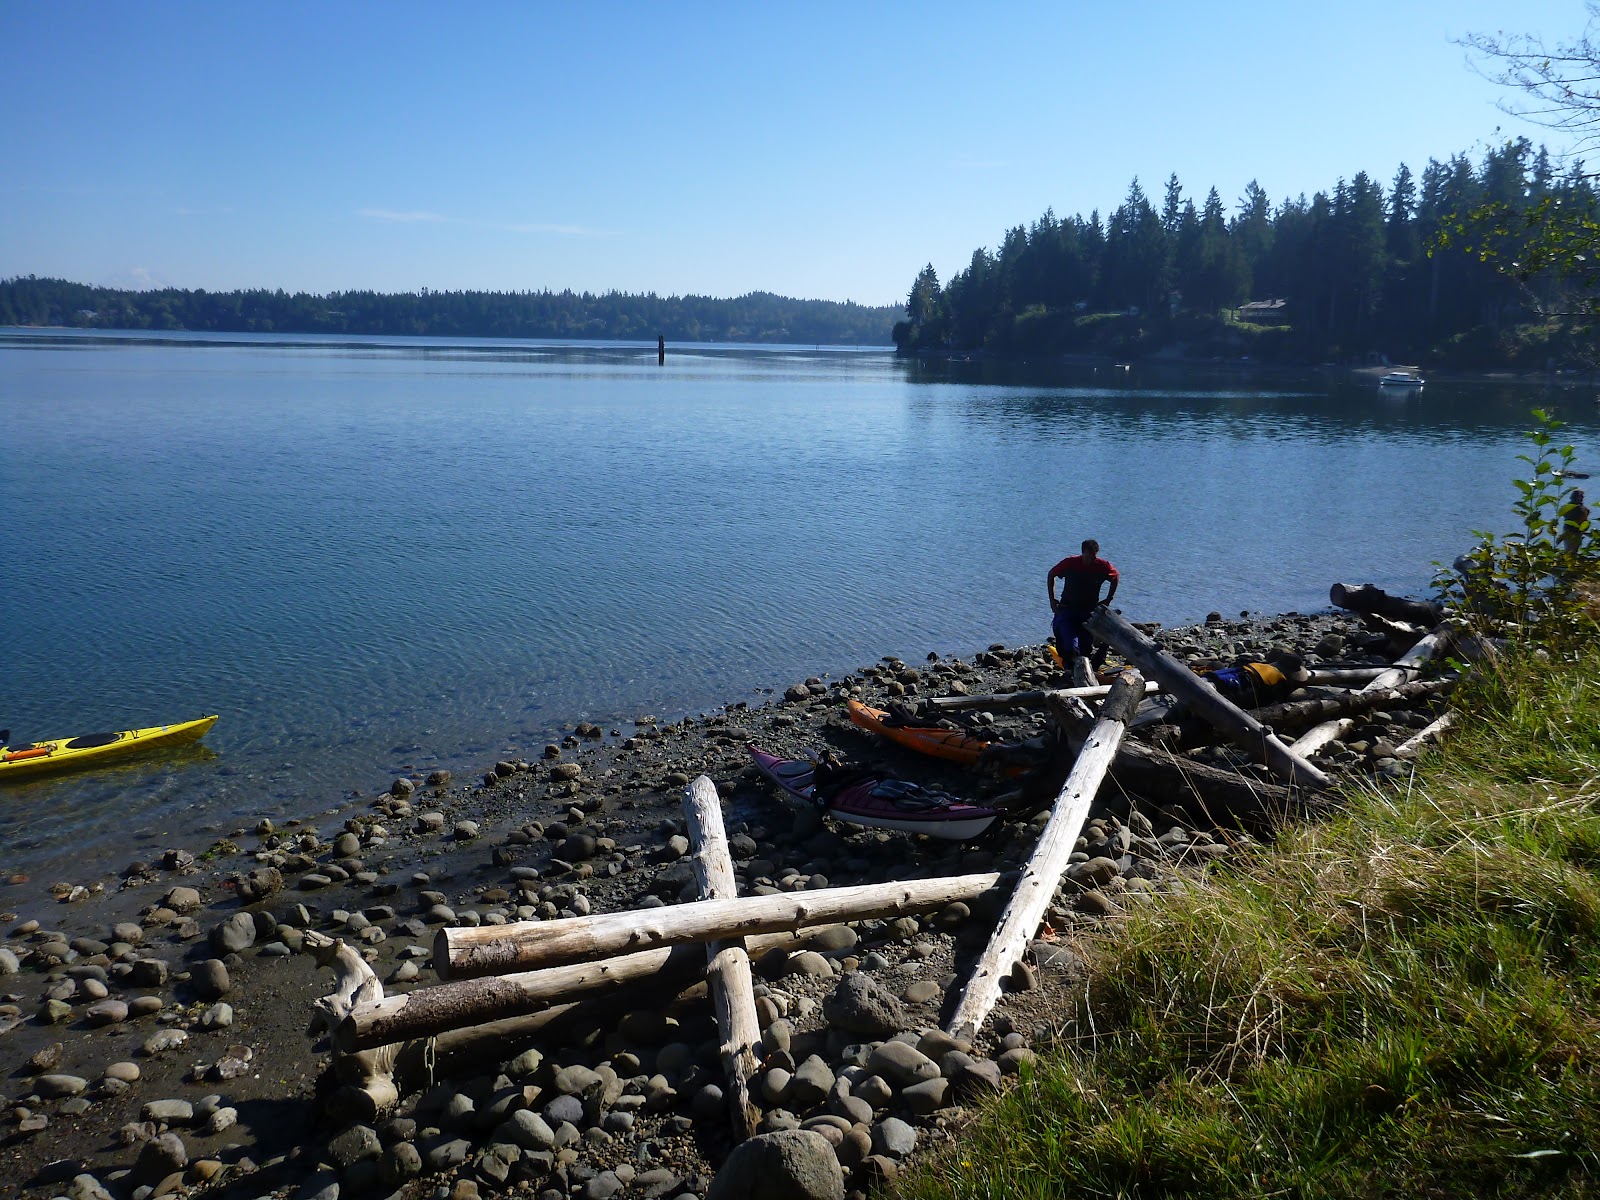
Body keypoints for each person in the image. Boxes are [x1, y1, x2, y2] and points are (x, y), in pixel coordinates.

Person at [1047, 539, 1119, 669]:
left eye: (1094, 556)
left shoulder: (1102, 565)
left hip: (1088, 611)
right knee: (1069, 644)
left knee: (1085, 647)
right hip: (1068, 609)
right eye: (1089, 556)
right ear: (1083, 552)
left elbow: (1115, 577)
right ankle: (1071, 664)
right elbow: (1051, 574)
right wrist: (1052, 601)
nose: (1091, 559)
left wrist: (1109, 599)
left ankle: (1087, 665)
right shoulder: (1070, 563)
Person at [1562, 489, 1589, 555]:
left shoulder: (1581, 508)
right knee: (1570, 550)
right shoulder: (1571, 507)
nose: (1582, 498)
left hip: (1576, 531)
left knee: (1572, 550)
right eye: (1580, 496)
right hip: (1570, 531)